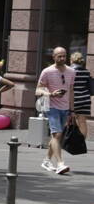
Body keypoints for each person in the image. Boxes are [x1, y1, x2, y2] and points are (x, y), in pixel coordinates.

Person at [36, 47, 76, 175]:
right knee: (56, 134)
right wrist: (51, 94)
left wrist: (72, 110)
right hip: (52, 106)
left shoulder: (71, 71)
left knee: (57, 137)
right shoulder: (47, 72)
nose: (62, 58)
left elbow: (71, 91)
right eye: (59, 56)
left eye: (64, 56)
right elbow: (38, 90)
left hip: (65, 108)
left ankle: (47, 160)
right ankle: (60, 164)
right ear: (53, 57)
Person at [71, 51, 91, 139]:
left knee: (69, 120)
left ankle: (69, 141)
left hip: (74, 99)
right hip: (85, 100)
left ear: (72, 60)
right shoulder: (86, 72)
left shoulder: (70, 71)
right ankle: (82, 143)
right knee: (82, 122)